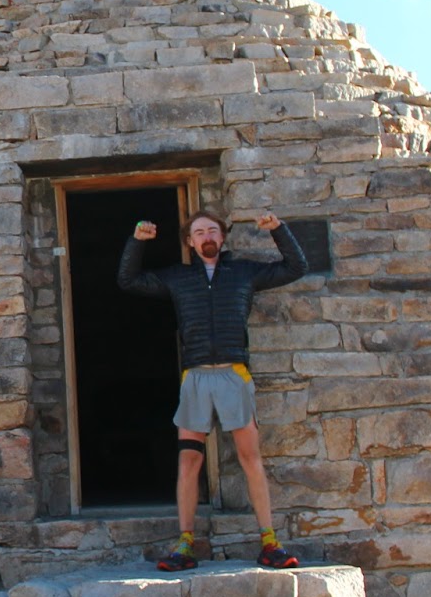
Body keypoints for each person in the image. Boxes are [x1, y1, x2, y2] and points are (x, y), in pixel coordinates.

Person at [117, 209, 308, 570]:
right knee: (189, 461)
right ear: (190, 241)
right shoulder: (178, 277)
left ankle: (270, 543)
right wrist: (137, 242)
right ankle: (185, 545)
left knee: (250, 458)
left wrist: (279, 229)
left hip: (234, 375)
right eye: (199, 232)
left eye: (212, 231)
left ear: (222, 238)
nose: (207, 236)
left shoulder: (244, 272)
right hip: (196, 377)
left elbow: (296, 267)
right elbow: (129, 281)